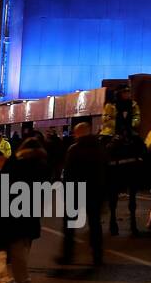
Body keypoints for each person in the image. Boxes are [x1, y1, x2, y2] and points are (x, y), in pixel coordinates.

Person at [0, 138, 48, 283]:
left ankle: (13, 281)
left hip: (9, 216)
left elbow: (3, 191)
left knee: (8, 249)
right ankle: (20, 281)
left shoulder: (14, 166)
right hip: (25, 213)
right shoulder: (37, 166)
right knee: (18, 249)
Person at [100, 85, 145, 237]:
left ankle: (148, 172)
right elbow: (106, 119)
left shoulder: (134, 105)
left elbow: (137, 117)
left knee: (142, 146)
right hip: (111, 133)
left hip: (129, 132)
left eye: (128, 93)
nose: (127, 95)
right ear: (119, 94)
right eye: (125, 93)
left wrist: (130, 125)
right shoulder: (110, 105)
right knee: (102, 148)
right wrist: (117, 127)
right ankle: (100, 173)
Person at [59, 123, 105, 267]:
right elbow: (106, 170)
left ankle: (68, 255)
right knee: (95, 225)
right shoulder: (99, 149)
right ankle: (97, 256)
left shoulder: (74, 149)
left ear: (77, 133)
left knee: (70, 225)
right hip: (95, 191)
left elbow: (68, 173)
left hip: (77, 191)